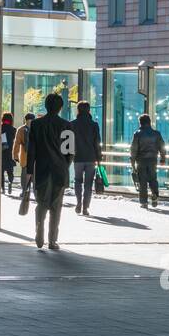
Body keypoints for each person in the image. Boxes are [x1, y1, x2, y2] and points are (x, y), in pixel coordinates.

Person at [26, 93, 72, 250]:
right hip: (59, 169)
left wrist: (29, 170)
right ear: (60, 107)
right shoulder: (66, 125)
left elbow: (31, 150)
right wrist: (65, 165)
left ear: (46, 106)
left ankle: (39, 232)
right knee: (56, 206)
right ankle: (52, 241)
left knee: (41, 203)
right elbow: (70, 151)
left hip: (41, 169)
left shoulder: (36, 125)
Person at [69, 101, 102, 216]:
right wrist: (99, 158)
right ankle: (85, 207)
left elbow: (69, 142)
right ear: (89, 110)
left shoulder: (72, 124)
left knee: (78, 181)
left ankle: (78, 202)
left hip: (77, 157)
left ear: (78, 110)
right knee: (88, 183)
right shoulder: (94, 125)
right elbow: (97, 142)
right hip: (90, 157)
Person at [130, 114, 167, 208]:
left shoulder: (137, 133)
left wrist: (132, 162)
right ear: (149, 122)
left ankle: (144, 202)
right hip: (153, 159)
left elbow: (133, 149)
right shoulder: (156, 133)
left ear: (140, 123)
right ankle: (154, 194)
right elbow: (162, 147)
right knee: (153, 178)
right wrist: (163, 158)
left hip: (141, 160)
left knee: (142, 181)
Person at [13, 113, 35, 214]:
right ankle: (36, 192)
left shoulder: (21, 129)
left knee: (25, 174)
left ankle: (24, 191)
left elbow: (16, 143)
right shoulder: (38, 128)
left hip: (25, 156)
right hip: (36, 156)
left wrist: (15, 156)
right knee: (35, 174)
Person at [0, 113, 16, 194]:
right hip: (10, 153)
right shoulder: (13, 130)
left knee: (1, 172)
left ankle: (2, 188)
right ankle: (10, 183)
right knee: (10, 171)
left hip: (1, 154)